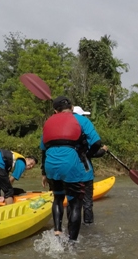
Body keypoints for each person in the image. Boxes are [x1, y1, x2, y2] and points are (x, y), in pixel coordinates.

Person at [39, 96, 106, 241]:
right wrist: (87, 154)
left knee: (57, 198)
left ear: (55, 110)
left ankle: (57, 231)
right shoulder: (81, 120)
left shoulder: (48, 122)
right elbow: (97, 142)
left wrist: (44, 172)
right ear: (72, 107)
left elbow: (44, 150)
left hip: (51, 166)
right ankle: (72, 242)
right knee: (75, 204)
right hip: (71, 164)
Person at [73, 105, 96, 225]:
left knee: (74, 203)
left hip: (70, 173)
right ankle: (88, 225)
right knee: (87, 202)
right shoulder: (85, 136)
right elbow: (96, 148)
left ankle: (72, 230)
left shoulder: (66, 133)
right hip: (85, 172)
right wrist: (101, 150)